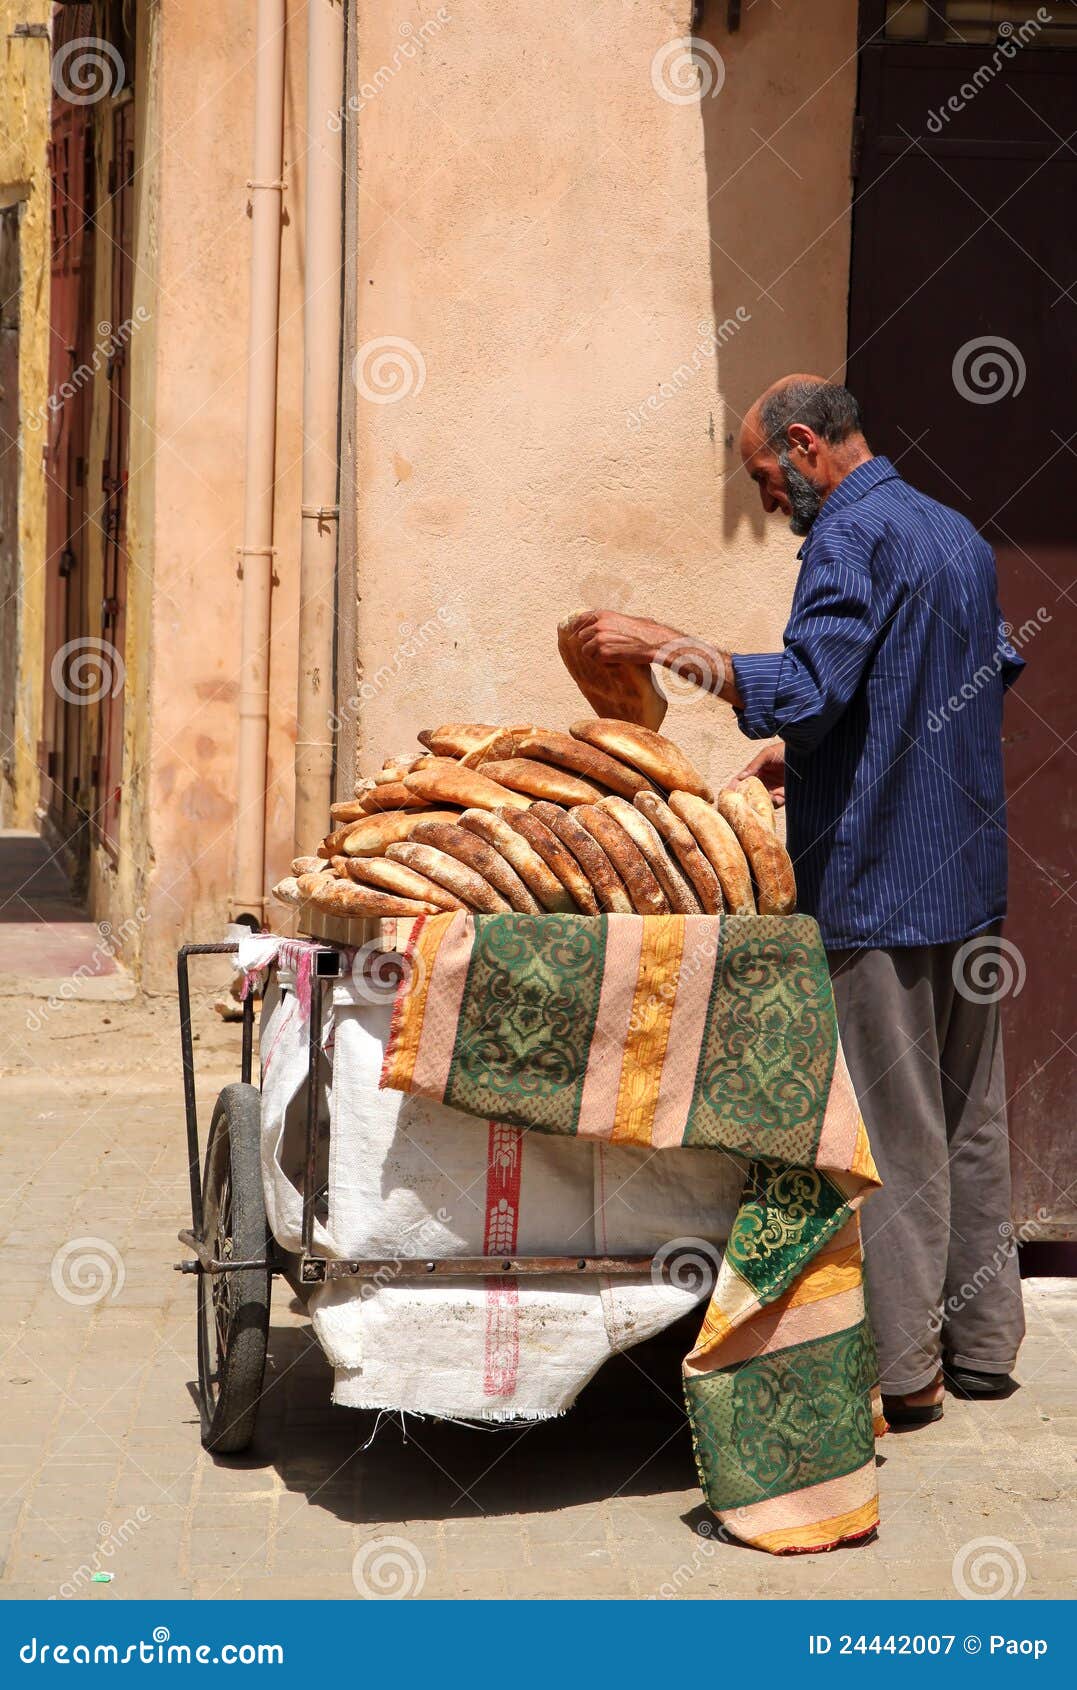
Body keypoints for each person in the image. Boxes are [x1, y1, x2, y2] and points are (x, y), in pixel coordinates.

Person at [574, 373, 1026, 1426]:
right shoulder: (953, 532)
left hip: (878, 886)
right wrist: (809, 761)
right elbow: (976, 670)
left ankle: (907, 1373)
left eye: (766, 477)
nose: (768, 499)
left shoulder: (848, 541)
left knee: (896, 1133)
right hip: (968, 877)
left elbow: (813, 683)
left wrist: (661, 644)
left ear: (809, 445)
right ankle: (987, 1346)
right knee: (971, 1117)